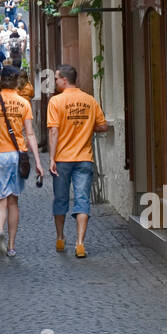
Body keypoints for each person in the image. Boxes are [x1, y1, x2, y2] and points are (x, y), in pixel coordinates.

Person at [0, 65, 44, 258]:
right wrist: (38, 162)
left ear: (1, 79)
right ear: (16, 82)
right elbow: (29, 134)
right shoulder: (23, 103)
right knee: (13, 201)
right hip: (17, 154)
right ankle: (12, 246)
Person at [46, 63, 108, 258]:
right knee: (82, 200)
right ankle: (80, 243)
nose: (54, 81)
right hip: (84, 158)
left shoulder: (56, 102)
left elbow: (54, 130)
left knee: (60, 199)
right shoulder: (89, 100)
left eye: (56, 78)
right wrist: (86, 129)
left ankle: (60, 237)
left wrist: (52, 158)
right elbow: (103, 126)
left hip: (63, 159)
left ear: (64, 80)